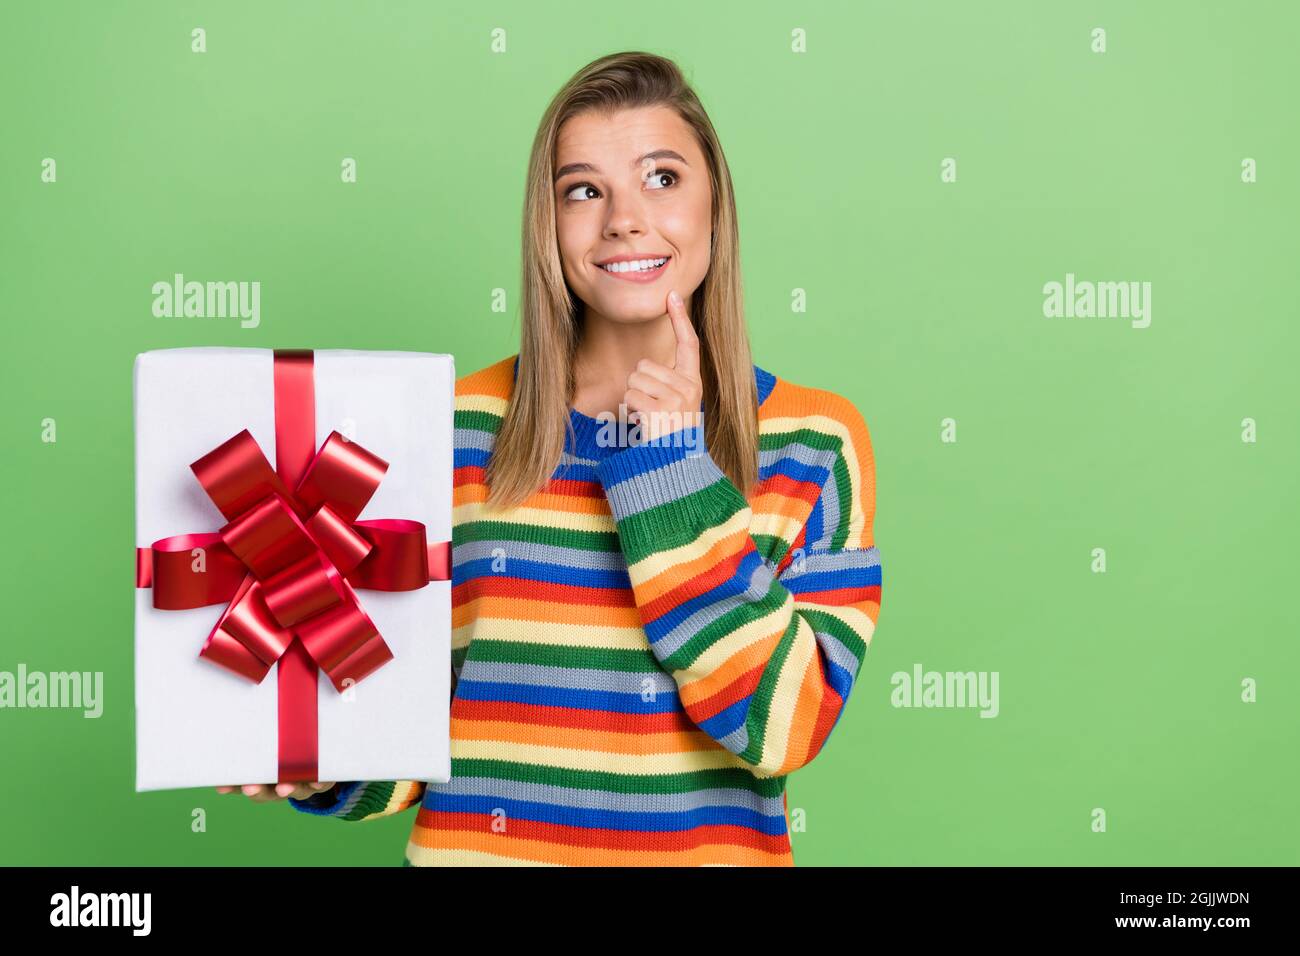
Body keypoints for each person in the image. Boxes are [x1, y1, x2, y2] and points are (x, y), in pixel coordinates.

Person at [221, 49, 883, 866]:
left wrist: (666, 466)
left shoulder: (815, 442)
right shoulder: (453, 423)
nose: (624, 219)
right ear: (548, 223)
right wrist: (318, 763)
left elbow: (783, 728)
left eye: (663, 178)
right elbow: (422, 727)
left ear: (717, 205)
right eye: (583, 190)